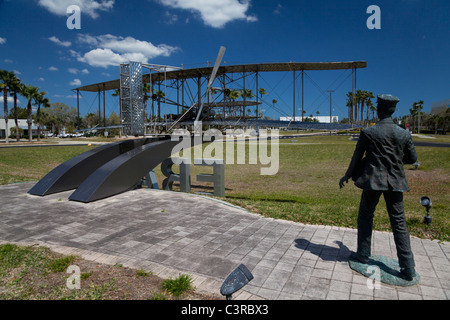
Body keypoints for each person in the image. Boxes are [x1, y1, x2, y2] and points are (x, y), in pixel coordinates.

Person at [339, 94, 418, 280]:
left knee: (365, 217)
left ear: (378, 110)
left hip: (372, 181)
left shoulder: (369, 132)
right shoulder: (403, 134)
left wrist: (347, 175)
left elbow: (356, 158)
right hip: (395, 182)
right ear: (393, 111)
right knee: (399, 222)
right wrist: (396, 160)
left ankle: (363, 255)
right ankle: (408, 267)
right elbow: (412, 158)